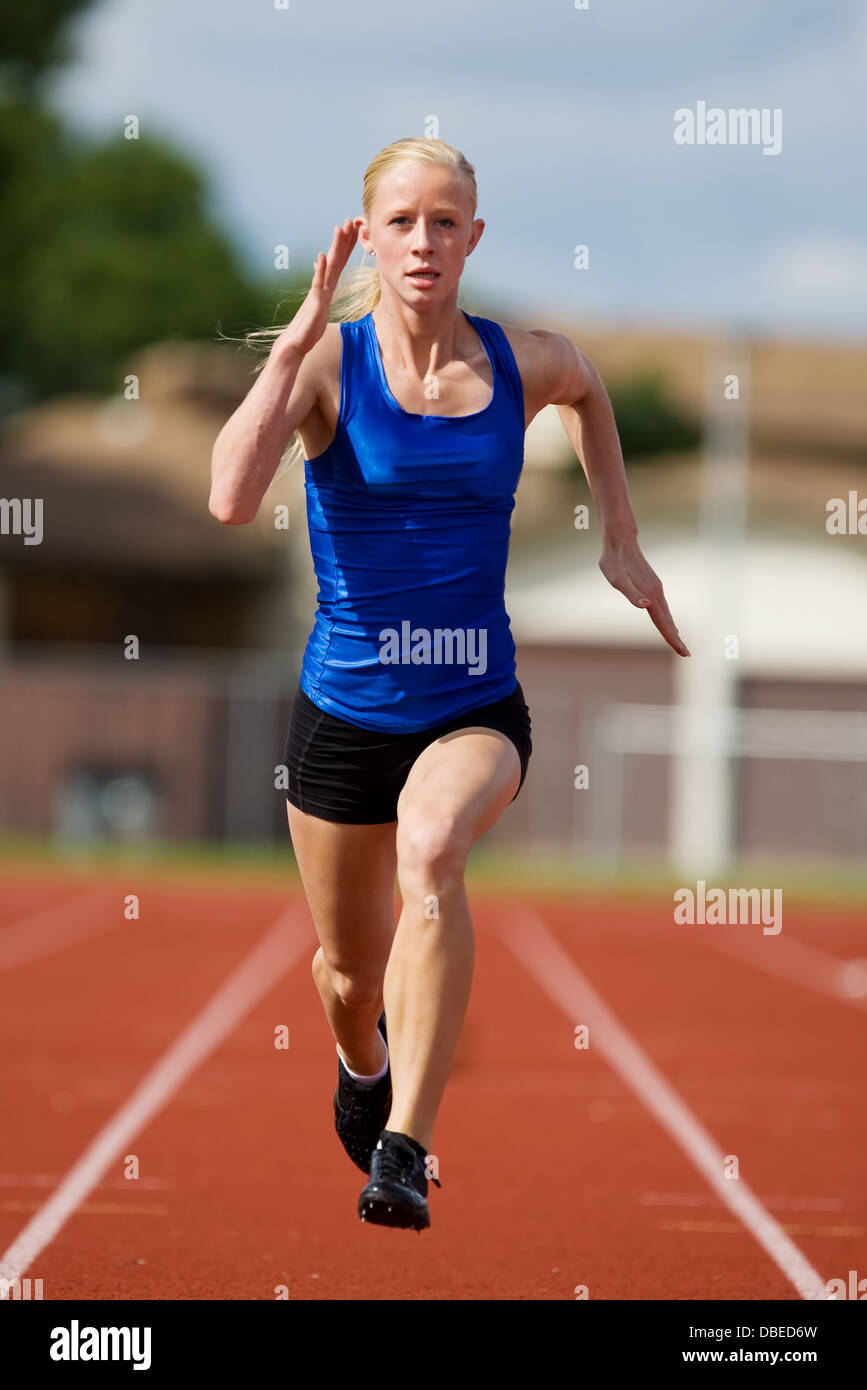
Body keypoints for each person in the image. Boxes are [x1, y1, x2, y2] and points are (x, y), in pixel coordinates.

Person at [209, 136, 688, 1233]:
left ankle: (405, 1145)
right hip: (344, 707)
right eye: (403, 221)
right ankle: (361, 1064)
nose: (424, 240)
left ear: (474, 236)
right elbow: (232, 498)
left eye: (446, 220)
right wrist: (289, 347)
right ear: (367, 236)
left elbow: (590, 389)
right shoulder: (331, 365)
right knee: (345, 971)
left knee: (433, 849)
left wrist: (621, 535)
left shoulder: (524, 361)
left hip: (474, 700)